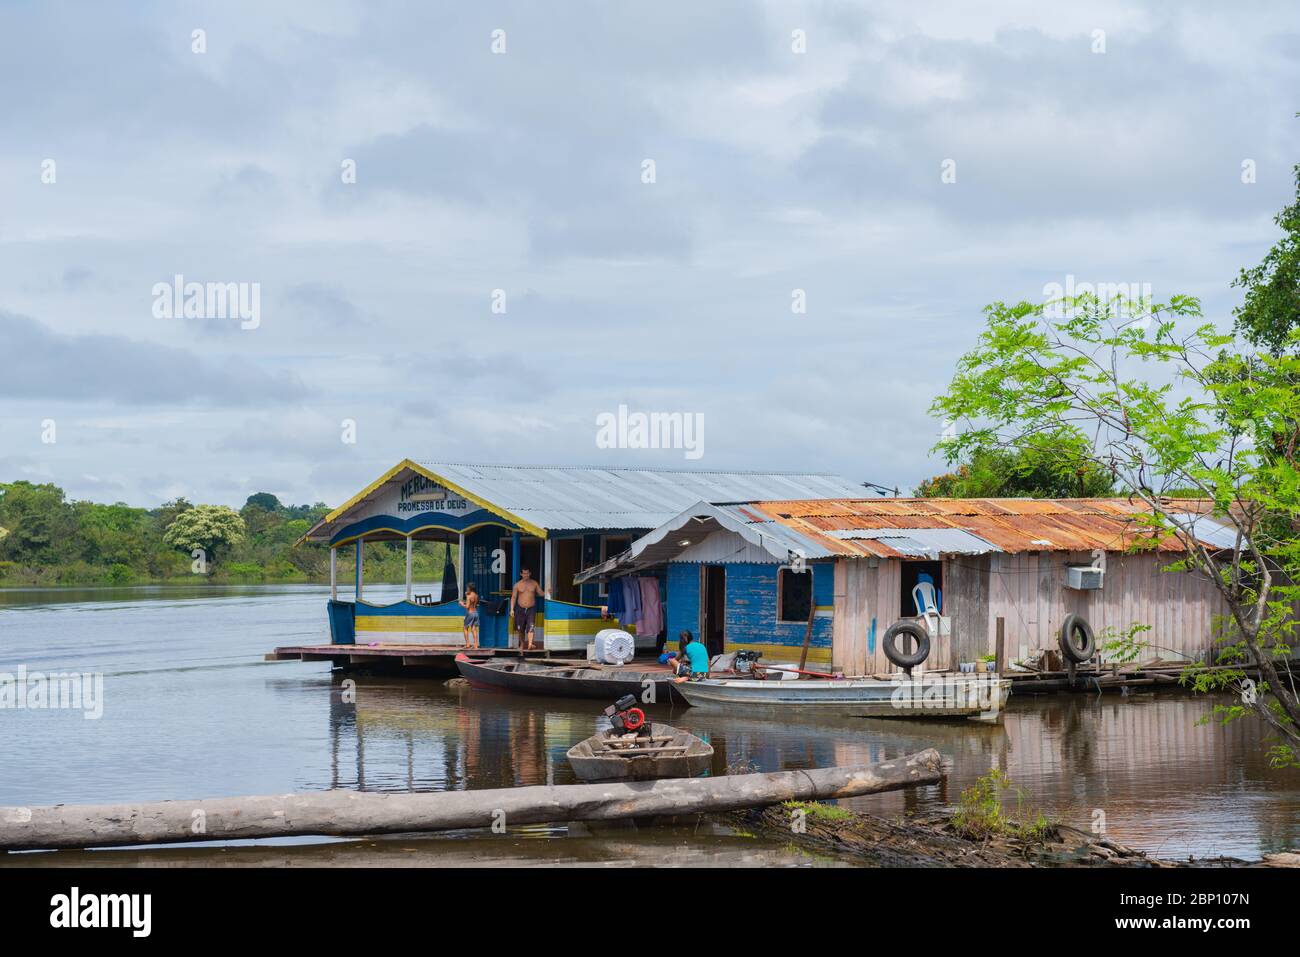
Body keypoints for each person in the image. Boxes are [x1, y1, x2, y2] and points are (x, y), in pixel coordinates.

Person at [510, 567, 546, 651]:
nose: (526, 575)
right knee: (520, 629)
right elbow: (514, 597)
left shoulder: (534, 583)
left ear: (530, 574)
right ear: (521, 574)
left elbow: (541, 593)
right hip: (520, 608)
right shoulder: (517, 585)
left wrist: (548, 592)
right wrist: (512, 609)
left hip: (531, 608)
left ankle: (530, 644)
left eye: (527, 573)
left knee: (531, 626)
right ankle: (522, 644)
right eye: (524, 573)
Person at [459, 583, 480, 649]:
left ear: (470, 588)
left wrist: (462, 604)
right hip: (476, 613)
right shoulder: (476, 595)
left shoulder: (469, 596)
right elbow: (475, 605)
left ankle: (467, 644)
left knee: (465, 628)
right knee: (474, 629)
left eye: (467, 588)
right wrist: (466, 595)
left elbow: (467, 606)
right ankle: (475, 645)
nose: (466, 589)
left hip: (470, 613)